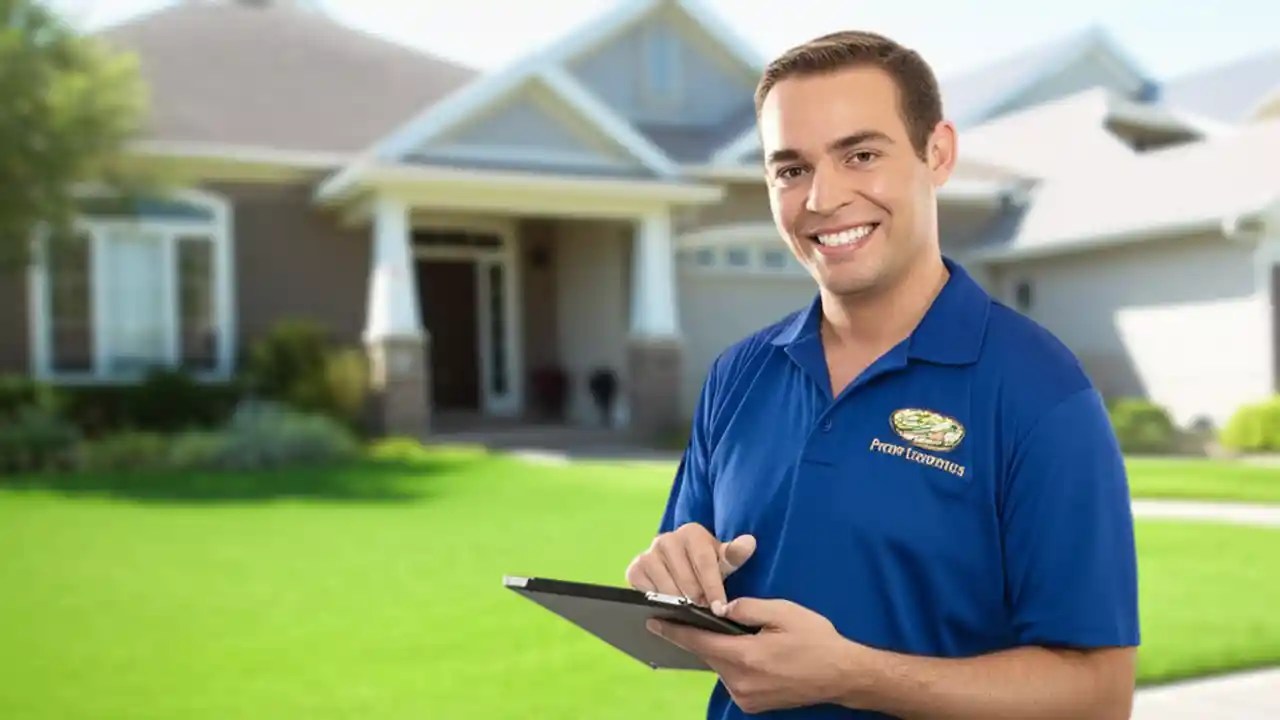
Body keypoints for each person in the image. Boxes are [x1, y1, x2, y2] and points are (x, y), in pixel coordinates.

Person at [624, 30, 1140, 720]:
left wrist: (850, 675)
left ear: (939, 154)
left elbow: (1098, 697)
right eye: (790, 170)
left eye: (860, 155)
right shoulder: (738, 375)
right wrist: (671, 573)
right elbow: (694, 608)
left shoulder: (1041, 393)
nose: (822, 198)